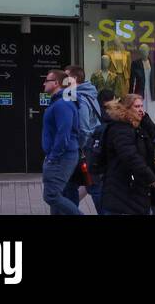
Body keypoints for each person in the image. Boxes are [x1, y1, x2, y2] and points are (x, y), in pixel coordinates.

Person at [100, 93, 155, 215]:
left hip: (135, 188)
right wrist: (149, 176)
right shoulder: (121, 129)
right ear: (126, 108)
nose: (141, 110)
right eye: (136, 107)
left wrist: (144, 117)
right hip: (123, 187)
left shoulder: (136, 126)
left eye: (142, 106)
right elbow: (130, 156)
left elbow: (152, 134)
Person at [40, 68, 82, 215]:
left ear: (56, 83)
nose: (44, 83)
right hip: (60, 155)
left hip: (62, 156)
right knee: (58, 194)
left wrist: (53, 156)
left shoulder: (63, 103)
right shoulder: (60, 102)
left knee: (51, 195)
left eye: (47, 80)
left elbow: (63, 133)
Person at [65, 65, 103, 212]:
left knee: (89, 186)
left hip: (85, 150)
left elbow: (84, 129)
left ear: (74, 79)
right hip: (91, 149)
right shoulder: (89, 93)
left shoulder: (80, 97)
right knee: (81, 185)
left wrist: (80, 149)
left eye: (65, 77)